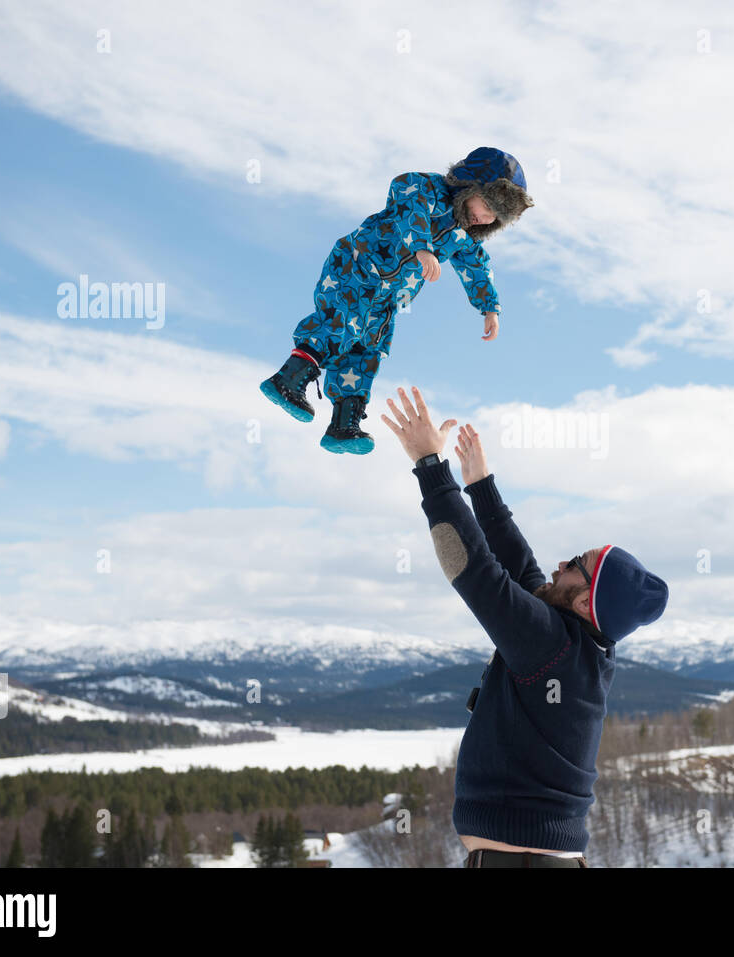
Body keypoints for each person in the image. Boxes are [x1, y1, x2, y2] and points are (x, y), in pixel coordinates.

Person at [381, 386, 669, 868]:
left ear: (583, 601)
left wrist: (431, 467)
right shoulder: (577, 644)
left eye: (577, 563)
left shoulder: (552, 645)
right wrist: (481, 486)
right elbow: (525, 574)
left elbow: (476, 572)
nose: (562, 561)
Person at [259, 147, 534, 454]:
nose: (485, 217)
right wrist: (422, 246)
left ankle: (343, 424)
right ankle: (290, 378)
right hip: (356, 268)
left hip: (387, 299)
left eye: (495, 216)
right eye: (486, 204)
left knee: (369, 349)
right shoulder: (424, 189)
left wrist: (489, 308)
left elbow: (477, 267)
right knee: (342, 323)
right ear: (468, 187)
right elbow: (408, 205)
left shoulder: (462, 235)